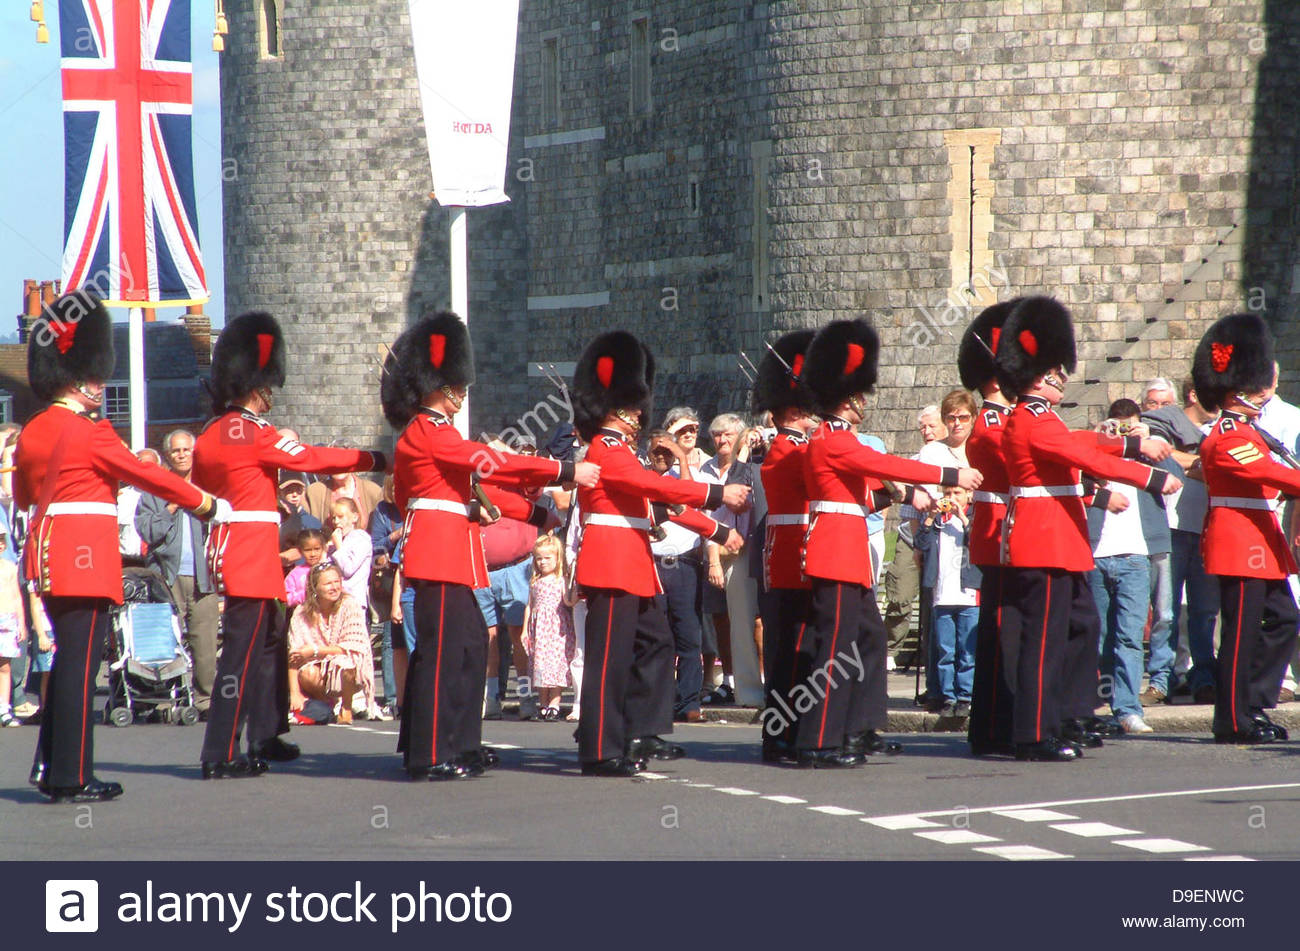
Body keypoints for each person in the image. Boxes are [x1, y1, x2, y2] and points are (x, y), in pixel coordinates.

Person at [19, 290, 229, 802]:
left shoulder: (33, 430)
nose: (99, 384)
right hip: (83, 560)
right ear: (76, 377)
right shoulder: (90, 432)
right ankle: (72, 775)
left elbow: (25, 494)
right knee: (79, 665)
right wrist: (208, 504)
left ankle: (52, 766)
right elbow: (148, 474)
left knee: (68, 661)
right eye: (93, 376)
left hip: (46, 557)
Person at [382, 312, 599, 781]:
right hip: (437, 554)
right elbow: (490, 464)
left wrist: (539, 514)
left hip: (454, 552)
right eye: (455, 388)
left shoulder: (436, 433)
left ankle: (456, 742)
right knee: (445, 653)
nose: (461, 396)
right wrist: (563, 471)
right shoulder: (428, 431)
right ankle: (430, 753)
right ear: (433, 388)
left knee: (468, 647)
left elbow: (484, 494)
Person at [193, 311, 388, 780]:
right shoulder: (253, 433)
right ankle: (221, 750)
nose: (270, 396)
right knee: (242, 653)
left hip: (236, 547)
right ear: (256, 387)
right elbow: (315, 457)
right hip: (251, 553)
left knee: (267, 646)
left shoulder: (210, 436)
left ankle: (266, 732)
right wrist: (373, 457)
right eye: (267, 388)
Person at [994, 296, 1179, 762]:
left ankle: (1063, 717)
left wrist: (1132, 441)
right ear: (1042, 375)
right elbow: (1083, 457)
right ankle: (1034, 733)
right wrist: (1150, 473)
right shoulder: (1033, 419)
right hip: (1043, 540)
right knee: (1044, 641)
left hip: (1059, 538)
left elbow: (1084, 440)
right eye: (1057, 370)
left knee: (1076, 630)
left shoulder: (1042, 417)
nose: (1063, 378)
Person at [796, 318, 980, 767]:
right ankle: (819, 739)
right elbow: (887, 463)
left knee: (869, 640)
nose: (864, 403)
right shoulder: (833, 439)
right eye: (858, 396)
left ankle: (857, 727)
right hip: (834, 552)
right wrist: (950, 474)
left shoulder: (838, 440)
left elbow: (868, 487)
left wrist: (896, 493)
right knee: (835, 649)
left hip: (850, 551)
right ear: (846, 399)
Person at [570, 330, 746, 776]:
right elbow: (656, 487)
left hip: (633, 563)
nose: (638, 415)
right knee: (610, 657)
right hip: (611, 563)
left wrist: (718, 529)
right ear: (616, 409)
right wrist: (718, 493)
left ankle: (641, 729)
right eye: (632, 407)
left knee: (656, 644)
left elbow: (660, 504)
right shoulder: (605, 449)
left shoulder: (622, 453)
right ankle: (600, 746)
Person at [1191, 315, 1300, 744]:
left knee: (1284, 619)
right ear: (1237, 391)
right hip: (1239, 542)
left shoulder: (1250, 431)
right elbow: (1274, 475)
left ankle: (1251, 704)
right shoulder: (1227, 436)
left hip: (1260, 540)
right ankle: (1232, 718)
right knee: (1240, 632)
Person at [958, 299, 1021, 755]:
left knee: (1003, 631)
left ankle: (995, 724)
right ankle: (992, 727)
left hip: (1003, 526)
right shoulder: (993, 421)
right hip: (1000, 529)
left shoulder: (1001, 418)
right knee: (1000, 633)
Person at [1141, 380, 1220, 704]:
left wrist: (1189, 461)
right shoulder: (1167, 418)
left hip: (1204, 531)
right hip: (1171, 530)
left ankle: (1203, 678)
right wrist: (1195, 463)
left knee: (1204, 613)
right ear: (1193, 393)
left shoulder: (1219, 426)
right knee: (1165, 612)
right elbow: (1159, 457)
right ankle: (1162, 680)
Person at [1086, 400, 1160, 735]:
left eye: (1129, 426)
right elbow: (1078, 478)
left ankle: (1128, 709)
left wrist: (1148, 442)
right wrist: (1103, 441)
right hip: (1096, 553)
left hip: (1135, 556)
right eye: (1118, 426)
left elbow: (1172, 479)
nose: (1124, 433)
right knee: (1098, 636)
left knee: (1129, 638)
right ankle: (1097, 704)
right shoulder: (1098, 452)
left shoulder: (1147, 454)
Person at [135, 429, 219, 716]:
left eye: (186, 450)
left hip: (204, 577)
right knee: (164, 641)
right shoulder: (155, 490)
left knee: (205, 642)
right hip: (166, 577)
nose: (182, 455)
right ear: (167, 456)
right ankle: (163, 699)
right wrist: (171, 506)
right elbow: (147, 530)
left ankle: (206, 701)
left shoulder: (210, 486)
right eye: (176, 451)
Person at [700, 413, 763, 708]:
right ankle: (749, 692)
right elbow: (718, 518)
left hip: (768, 545)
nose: (723, 440)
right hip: (739, 551)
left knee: (769, 622)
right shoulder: (736, 468)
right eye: (718, 435)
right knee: (740, 624)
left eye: (731, 435)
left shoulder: (766, 458)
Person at [645, 429, 707, 723]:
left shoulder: (686, 474)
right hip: (652, 563)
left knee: (688, 635)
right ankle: (659, 701)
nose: (661, 457)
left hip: (683, 565)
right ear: (647, 452)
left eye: (666, 452)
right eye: (657, 451)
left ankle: (689, 701)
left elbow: (691, 499)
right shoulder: (640, 477)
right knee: (658, 638)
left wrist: (681, 457)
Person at [883, 406, 947, 669]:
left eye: (932, 426)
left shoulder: (955, 459)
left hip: (944, 537)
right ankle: (889, 649)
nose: (926, 431)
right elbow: (909, 511)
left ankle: (931, 651)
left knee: (937, 597)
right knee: (900, 592)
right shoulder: (914, 460)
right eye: (922, 427)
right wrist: (918, 542)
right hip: (913, 535)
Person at [914, 484, 981, 717]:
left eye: (957, 493)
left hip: (968, 594)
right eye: (947, 493)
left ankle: (965, 696)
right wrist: (931, 516)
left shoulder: (973, 517)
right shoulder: (938, 521)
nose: (951, 498)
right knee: (945, 650)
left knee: (966, 650)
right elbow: (920, 545)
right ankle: (947, 696)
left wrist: (962, 518)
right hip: (942, 594)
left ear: (968, 496)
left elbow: (978, 540)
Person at [287, 563, 374, 725]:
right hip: (319, 669)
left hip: (347, 668)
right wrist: (295, 693)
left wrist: (315, 650)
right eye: (328, 584)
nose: (334, 587)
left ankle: (346, 707)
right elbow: (294, 656)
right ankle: (327, 705)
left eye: (337, 582)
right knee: (307, 673)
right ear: (315, 588)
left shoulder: (350, 605)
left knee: (346, 663)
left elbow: (354, 648)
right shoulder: (300, 613)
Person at [521, 533, 575, 720]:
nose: (543, 562)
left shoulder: (561, 580)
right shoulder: (535, 581)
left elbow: (568, 602)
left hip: (557, 628)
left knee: (556, 664)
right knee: (540, 666)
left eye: (547, 558)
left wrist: (575, 595)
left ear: (557, 558)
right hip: (539, 630)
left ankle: (554, 703)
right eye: (539, 558)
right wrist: (524, 629)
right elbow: (530, 605)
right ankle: (542, 703)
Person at [0, 525, 26, 727]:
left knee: (5, 666)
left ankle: (4, 708)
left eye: (2, 539)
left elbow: (17, 597)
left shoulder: (10, 566)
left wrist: (22, 623)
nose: (1, 544)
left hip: (7, 620)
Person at [327, 498, 372, 611]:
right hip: (334, 601)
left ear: (355, 517)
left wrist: (338, 547)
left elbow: (348, 569)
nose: (336, 521)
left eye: (341, 516)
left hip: (353, 602)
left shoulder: (361, 538)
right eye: (333, 518)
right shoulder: (338, 541)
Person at [118, 447, 162, 560]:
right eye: (140, 465)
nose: (145, 470)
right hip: (128, 562)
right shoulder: (122, 497)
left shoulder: (166, 497)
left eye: (150, 466)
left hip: (158, 562)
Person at [307, 469, 384, 532]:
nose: (338, 466)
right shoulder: (315, 491)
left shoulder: (372, 491)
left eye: (342, 462)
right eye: (333, 463)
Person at [277, 472, 322, 568]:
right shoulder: (274, 521)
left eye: (298, 490)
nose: (294, 494)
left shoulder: (312, 523)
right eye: (289, 490)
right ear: (280, 493)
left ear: (304, 492)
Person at [285, 529, 327, 608]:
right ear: (300, 551)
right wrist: (306, 595)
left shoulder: (329, 569)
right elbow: (286, 599)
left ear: (323, 548)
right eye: (307, 550)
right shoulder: (296, 574)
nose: (313, 554)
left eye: (317, 549)